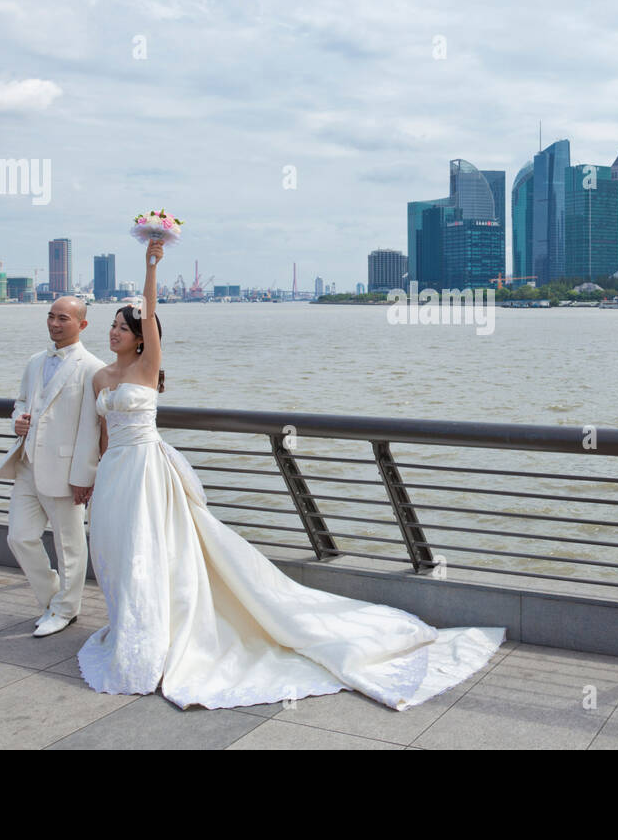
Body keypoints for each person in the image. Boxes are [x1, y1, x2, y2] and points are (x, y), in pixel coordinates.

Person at [78, 241, 505, 710]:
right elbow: (101, 434)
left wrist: (151, 267)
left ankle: (153, 643)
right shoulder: (100, 379)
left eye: (123, 326)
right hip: (116, 471)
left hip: (145, 470)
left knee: (148, 550)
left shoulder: (146, 367)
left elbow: (153, 309)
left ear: (142, 336)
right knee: (118, 552)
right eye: (112, 326)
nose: (114, 332)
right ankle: (130, 631)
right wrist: (95, 479)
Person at [0, 296, 105, 638]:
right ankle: (55, 597)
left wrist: (85, 476)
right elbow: (22, 402)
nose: (55, 324)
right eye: (51, 316)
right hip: (27, 463)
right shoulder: (35, 362)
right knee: (20, 537)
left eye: (63, 319)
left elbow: (92, 427)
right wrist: (19, 420)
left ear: (82, 325)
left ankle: (66, 610)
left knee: (69, 545)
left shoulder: (92, 368)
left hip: (65, 469)